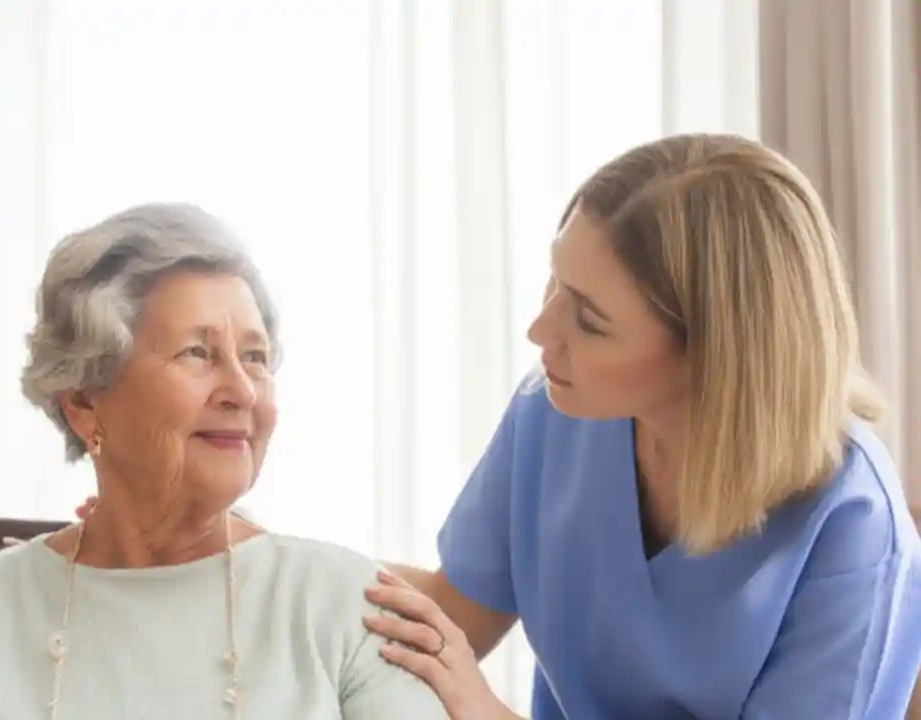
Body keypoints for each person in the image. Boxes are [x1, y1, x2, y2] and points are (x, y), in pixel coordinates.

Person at [361, 134, 921, 719]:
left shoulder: (853, 525)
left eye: (589, 319)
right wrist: (299, 574)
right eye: (556, 284)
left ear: (714, 357)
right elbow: (449, 619)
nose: (540, 331)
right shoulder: (554, 414)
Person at [0, 204, 447, 719]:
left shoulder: (349, 609)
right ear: (85, 401)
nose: (242, 390)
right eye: (197, 353)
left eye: (255, 357)